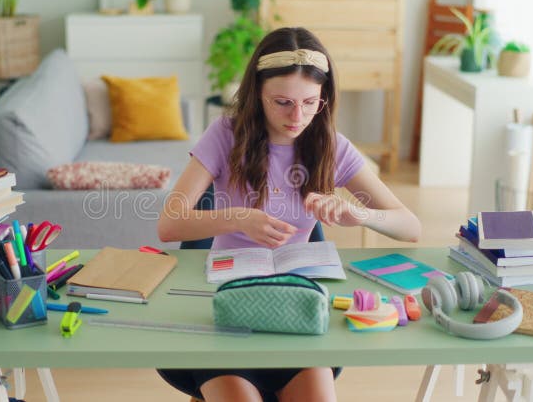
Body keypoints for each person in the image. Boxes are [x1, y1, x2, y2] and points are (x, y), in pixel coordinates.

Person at [157, 27, 421, 402]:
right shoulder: (225, 135)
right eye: (282, 102)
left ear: (324, 98)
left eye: (310, 102)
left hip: (296, 312)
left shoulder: (330, 144)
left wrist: (360, 214)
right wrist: (239, 218)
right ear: (257, 95)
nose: (298, 116)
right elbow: (169, 224)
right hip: (225, 310)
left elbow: (410, 227)